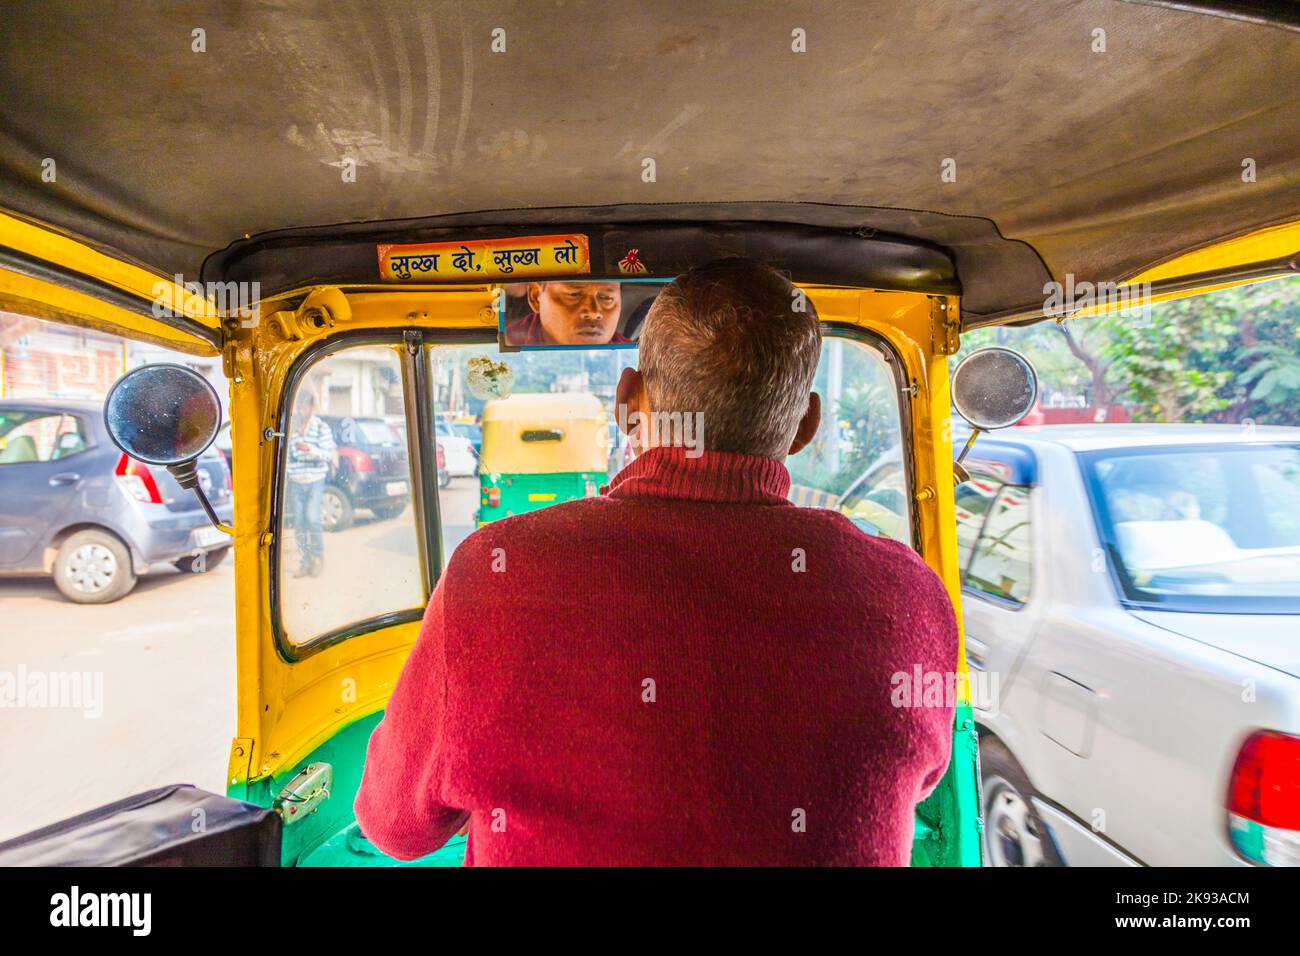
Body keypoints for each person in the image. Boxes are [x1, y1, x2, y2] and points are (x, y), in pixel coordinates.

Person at [356, 258, 957, 865]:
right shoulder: (909, 595)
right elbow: (921, 779)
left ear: (628, 402)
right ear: (804, 425)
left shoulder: (495, 572)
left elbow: (395, 827)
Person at [285, 389, 335, 577]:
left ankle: (317, 558)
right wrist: (290, 474)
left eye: (303, 406)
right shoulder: (293, 428)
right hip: (297, 481)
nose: (300, 409)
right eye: (298, 406)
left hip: (315, 480)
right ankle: (305, 562)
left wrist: (310, 449)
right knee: (299, 524)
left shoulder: (321, 428)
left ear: (311, 407)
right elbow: (288, 456)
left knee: (313, 519)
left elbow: (327, 454)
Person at [504, 280, 631, 346]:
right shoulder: (506, 340)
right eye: (573, 294)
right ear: (536, 296)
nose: (593, 312)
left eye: (607, 298)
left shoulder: (638, 356)